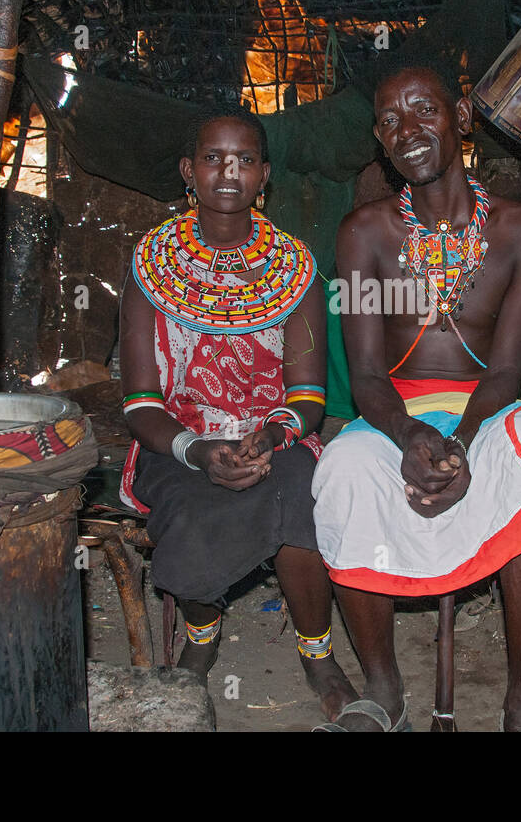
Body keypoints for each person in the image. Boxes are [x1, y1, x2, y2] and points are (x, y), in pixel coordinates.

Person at [311, 60, 521, 731]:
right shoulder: (364, 233)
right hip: (392, 416)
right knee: (340, 466)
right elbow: (366, 374)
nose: (409, 129)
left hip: (481, 411)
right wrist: (408, 436)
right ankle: (383, 686)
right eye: (392, 120)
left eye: (424, 110)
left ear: (459, 117)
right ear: (379, 137)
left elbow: (507, 370)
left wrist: (457, 443)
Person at [118, 105, 354, 720]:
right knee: (191, 510)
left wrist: (272, 436)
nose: (229, 172)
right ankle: (202, 635)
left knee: (302, 492)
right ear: (187, 170)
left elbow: (307, 396)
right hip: (177, 440)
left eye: (245, 159)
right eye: (213, 158)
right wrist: (196, 449)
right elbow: (140, 401)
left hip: (271, 436)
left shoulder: (295, 269)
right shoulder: (151, 263)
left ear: (265, 175)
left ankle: (317, 652)